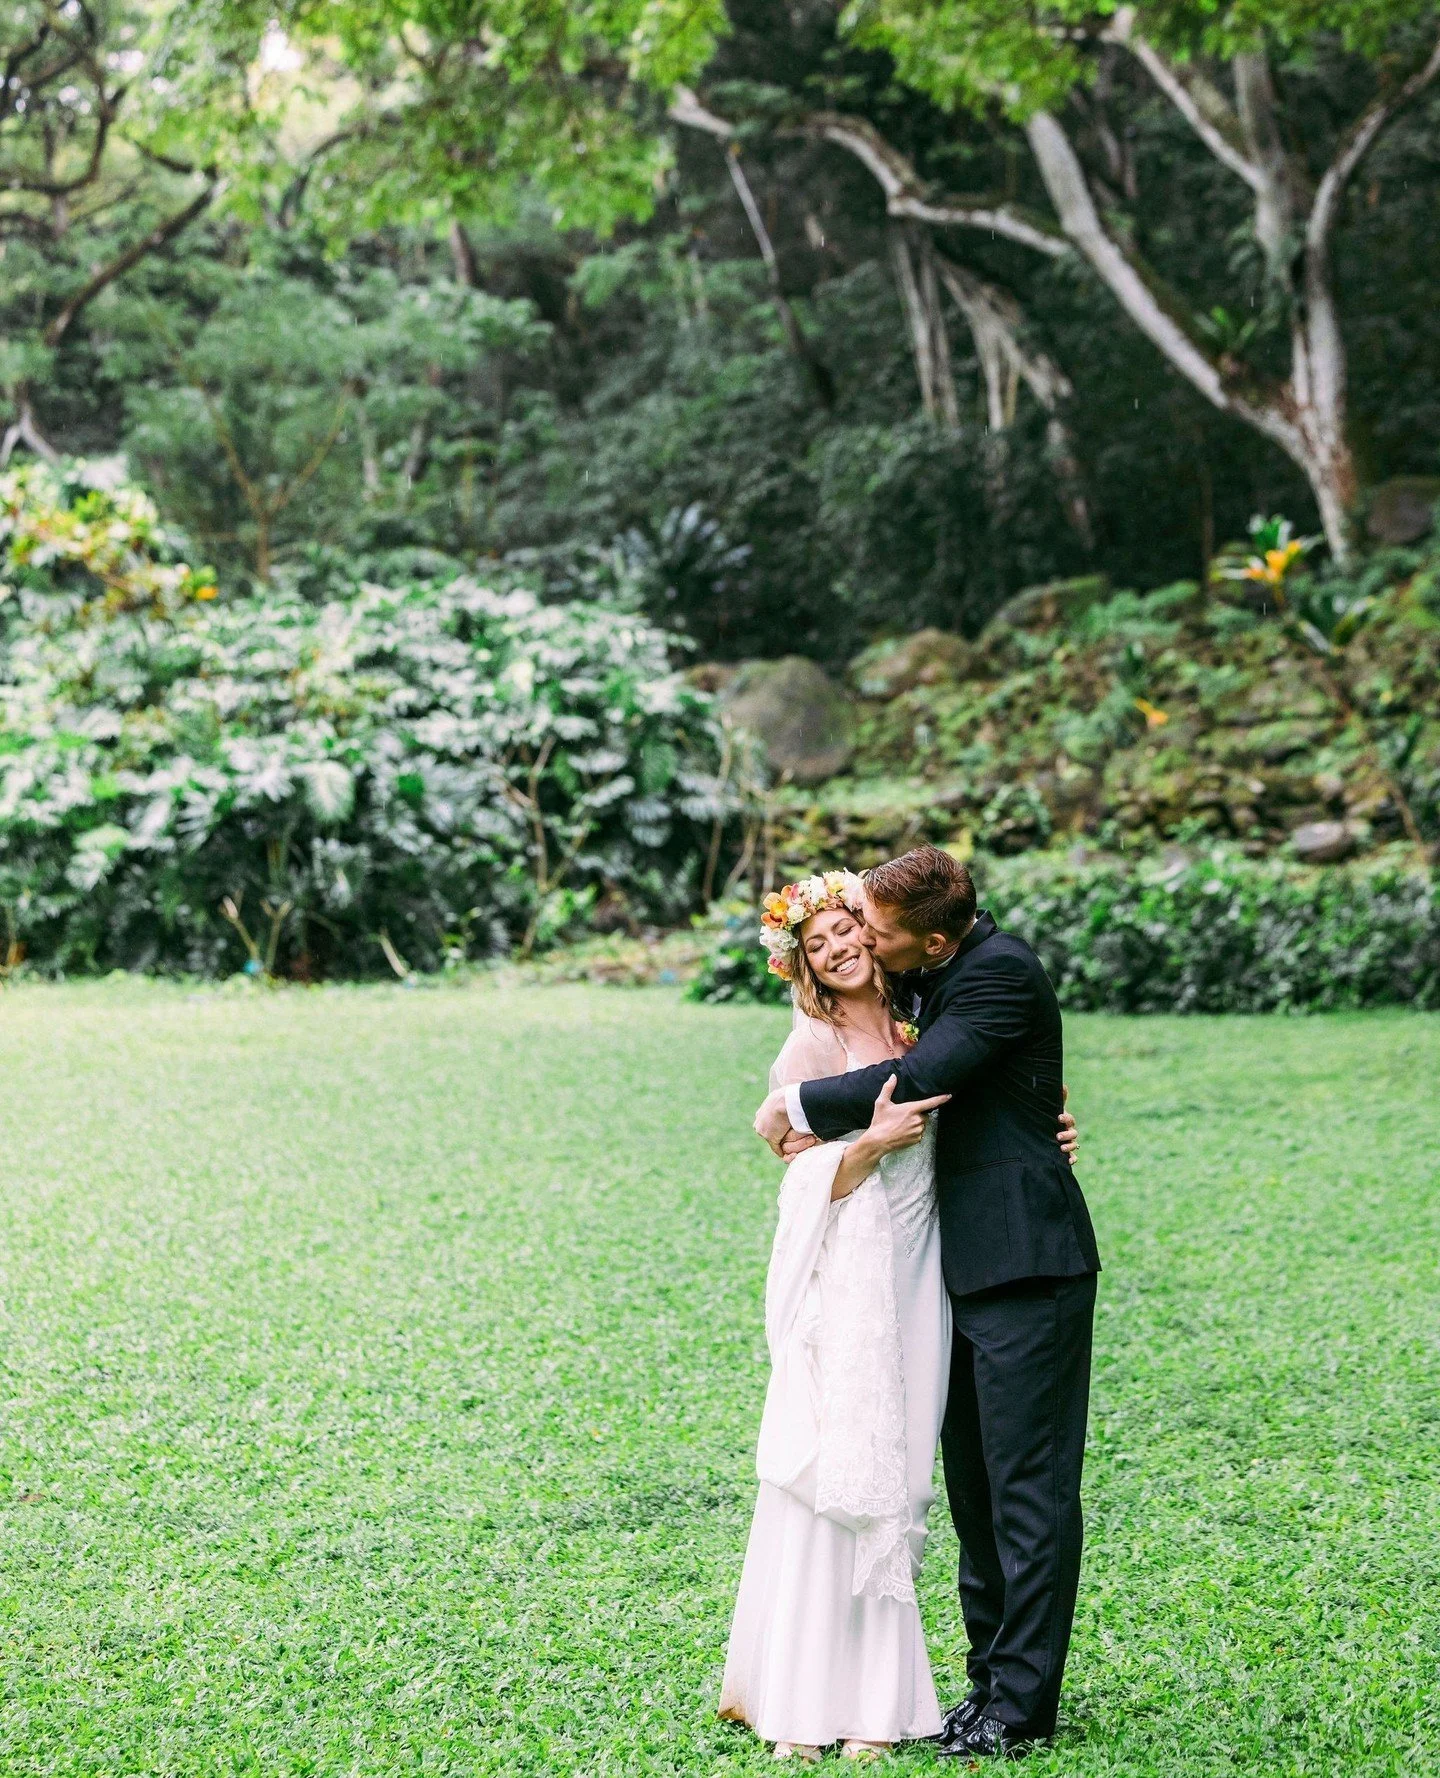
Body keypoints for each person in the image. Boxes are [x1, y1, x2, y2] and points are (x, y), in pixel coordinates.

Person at [722, 868, 1080, 1761]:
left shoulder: (986, 976)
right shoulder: (914, 994)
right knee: (962, 1489)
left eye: (864, 929)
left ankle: (1017, 1707)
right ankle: (985, 1685)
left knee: (1017, 1490)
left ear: (927, 940)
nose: (856, 943)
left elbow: (927, 1076)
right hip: (906, 1273)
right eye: (829, 938)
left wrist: (786, 1107)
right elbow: (816, 1167)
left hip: (1007, 1259)